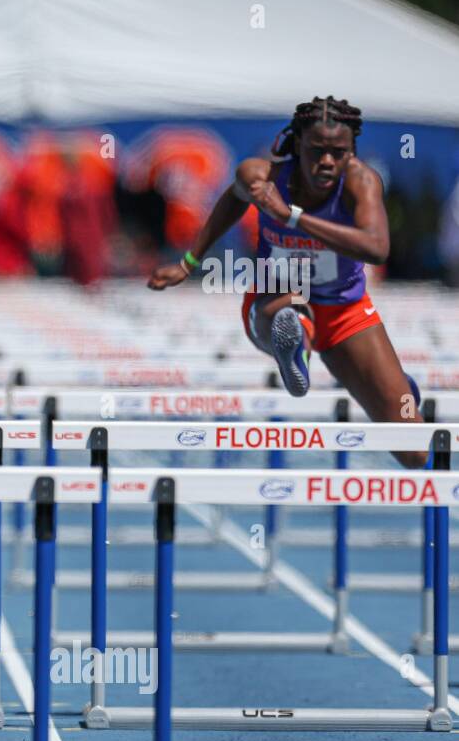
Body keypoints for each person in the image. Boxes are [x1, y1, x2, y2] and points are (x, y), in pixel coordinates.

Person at [148, 96, 425, 467]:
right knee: (290, 308)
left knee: (414, 451)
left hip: (345, 311)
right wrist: (188, 262)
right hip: (274, 298)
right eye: (316, 151)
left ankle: (390, 383)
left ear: (351, 152)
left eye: (338, 153)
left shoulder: (361, 182)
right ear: (297, 146)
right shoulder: (262, 177)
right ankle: (296, 344)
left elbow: (377, 248)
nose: (327, 162)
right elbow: (232, 199)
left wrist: (290, 217)